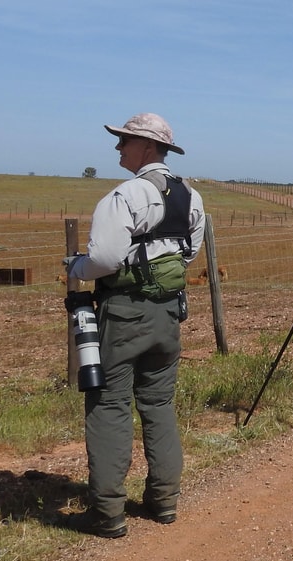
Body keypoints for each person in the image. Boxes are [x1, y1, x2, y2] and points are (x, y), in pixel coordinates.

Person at [64, 113, 206, 537]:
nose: (118, 147)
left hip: (124, 313)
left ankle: (107, 513)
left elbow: (104, 259)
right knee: (159, 404)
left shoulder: (125, 195)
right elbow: (189, 253)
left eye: (124, 140)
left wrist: (76, 267)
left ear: (146, 146)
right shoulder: (191, 196)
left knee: (109, 406)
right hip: (168, 314)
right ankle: (164, 501)